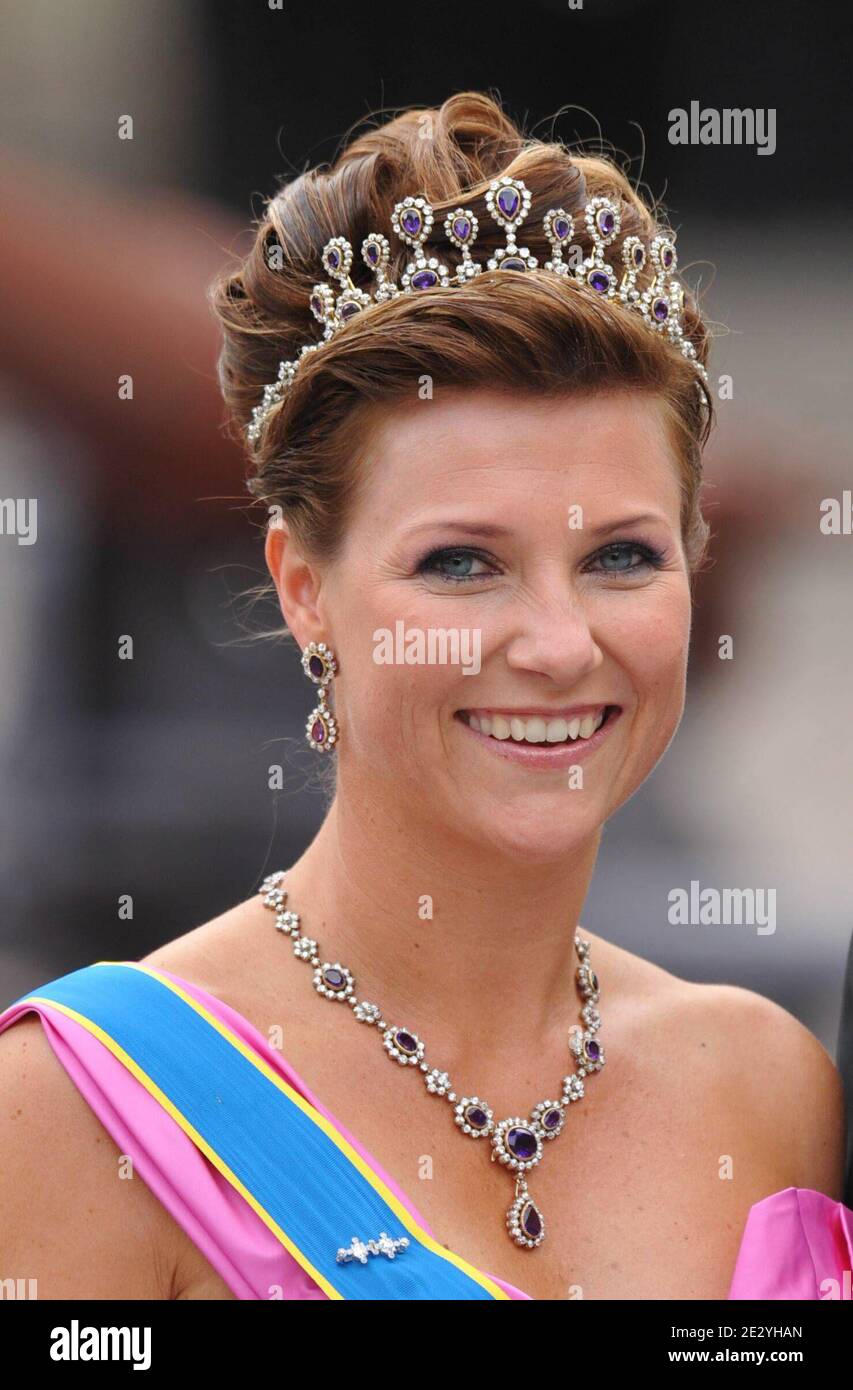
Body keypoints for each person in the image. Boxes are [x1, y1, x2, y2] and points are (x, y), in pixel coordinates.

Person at [1, 92, 849, 1302]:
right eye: (461, 563)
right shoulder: (79, 1114)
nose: (559, 646)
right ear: (303, 588)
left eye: (622, 556)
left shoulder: (774, 1083)